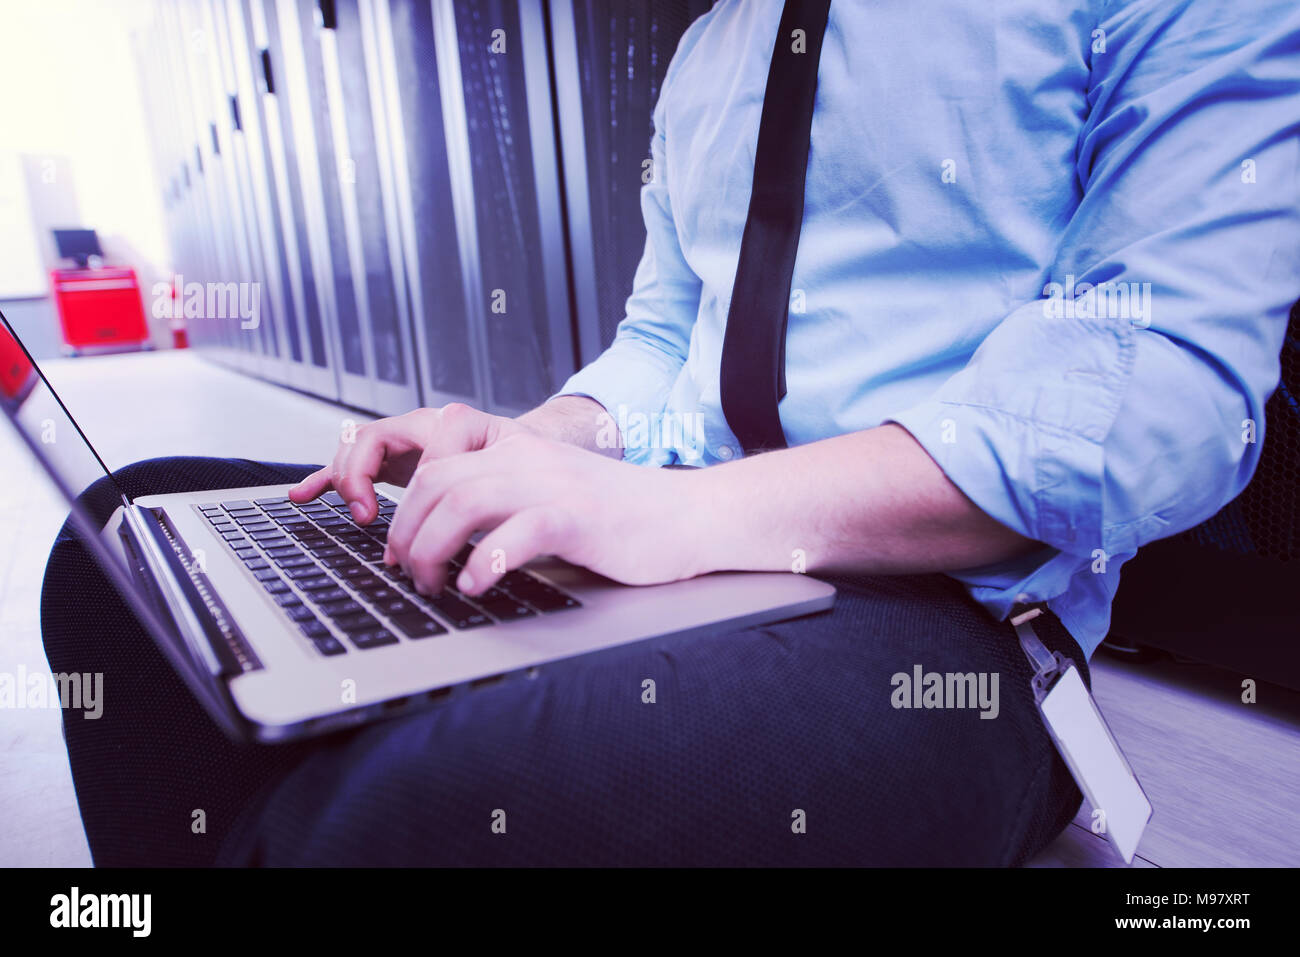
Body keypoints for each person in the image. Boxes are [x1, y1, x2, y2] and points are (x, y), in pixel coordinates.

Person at [43, 0, 1300, 865]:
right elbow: (663, 341)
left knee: (432, 810)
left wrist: (678, 517)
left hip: (949, 611)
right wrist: (524, 447)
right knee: (132, 540)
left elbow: (1158, 396)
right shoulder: (714, 43)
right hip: (671, 530)